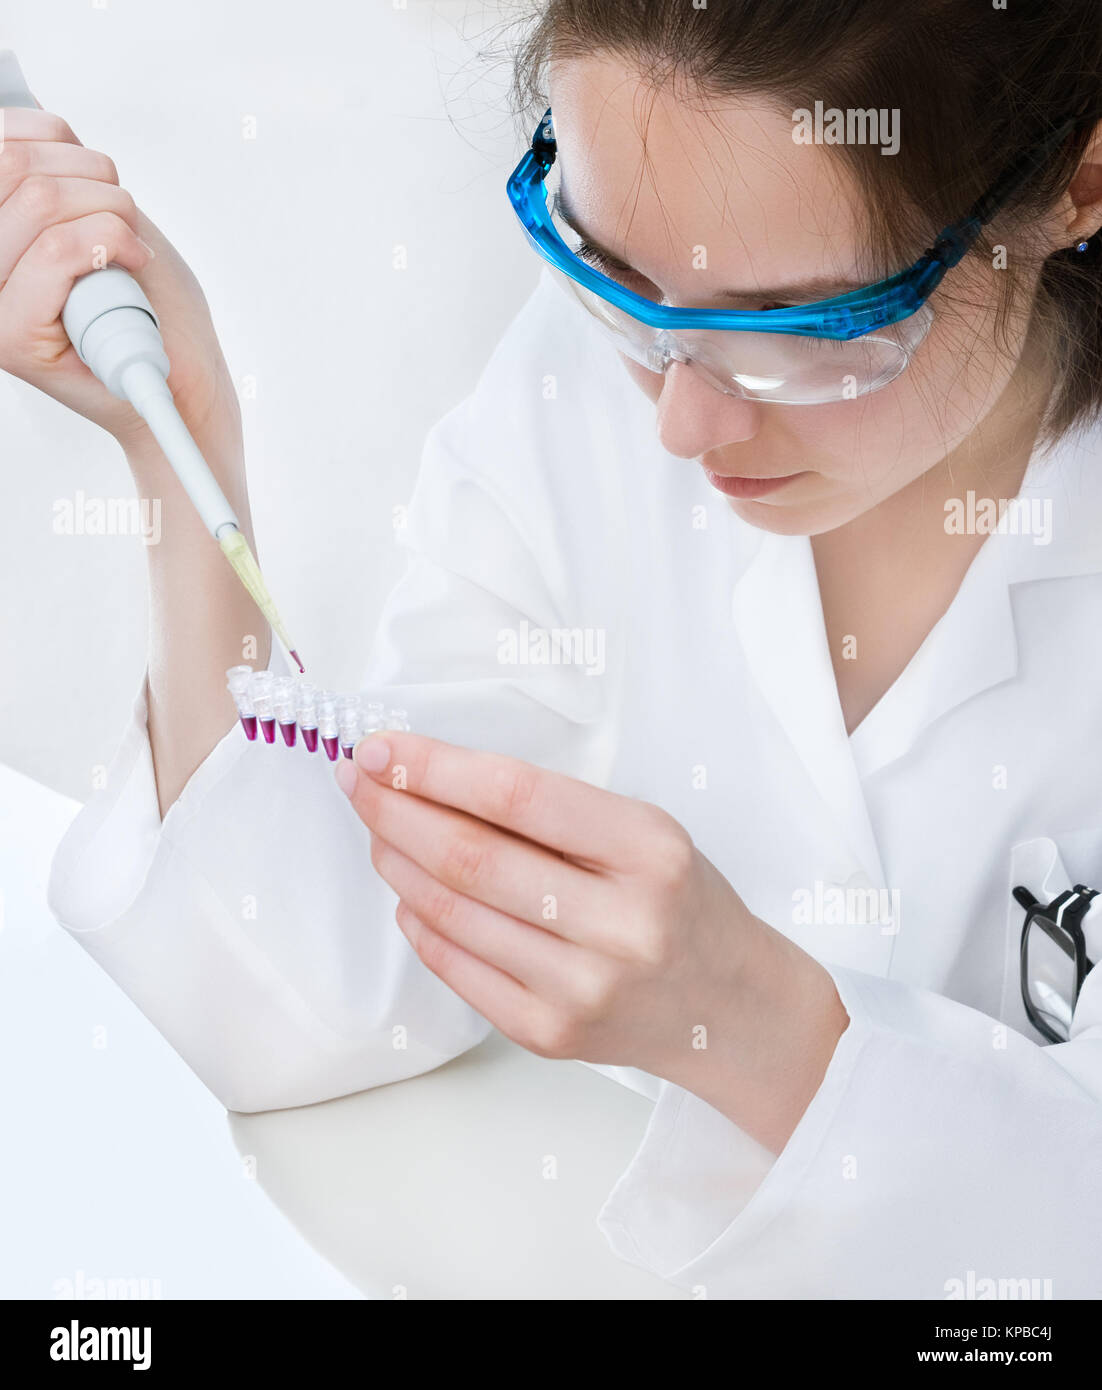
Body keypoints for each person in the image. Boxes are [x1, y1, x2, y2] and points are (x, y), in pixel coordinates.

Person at [8, 0, 1102, 1296]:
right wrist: (177, 440)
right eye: (615, 276)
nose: (681, 426)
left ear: (1073, 184)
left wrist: (753, 1018)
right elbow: (315, 994)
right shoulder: (576, 386)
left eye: (796, 331)